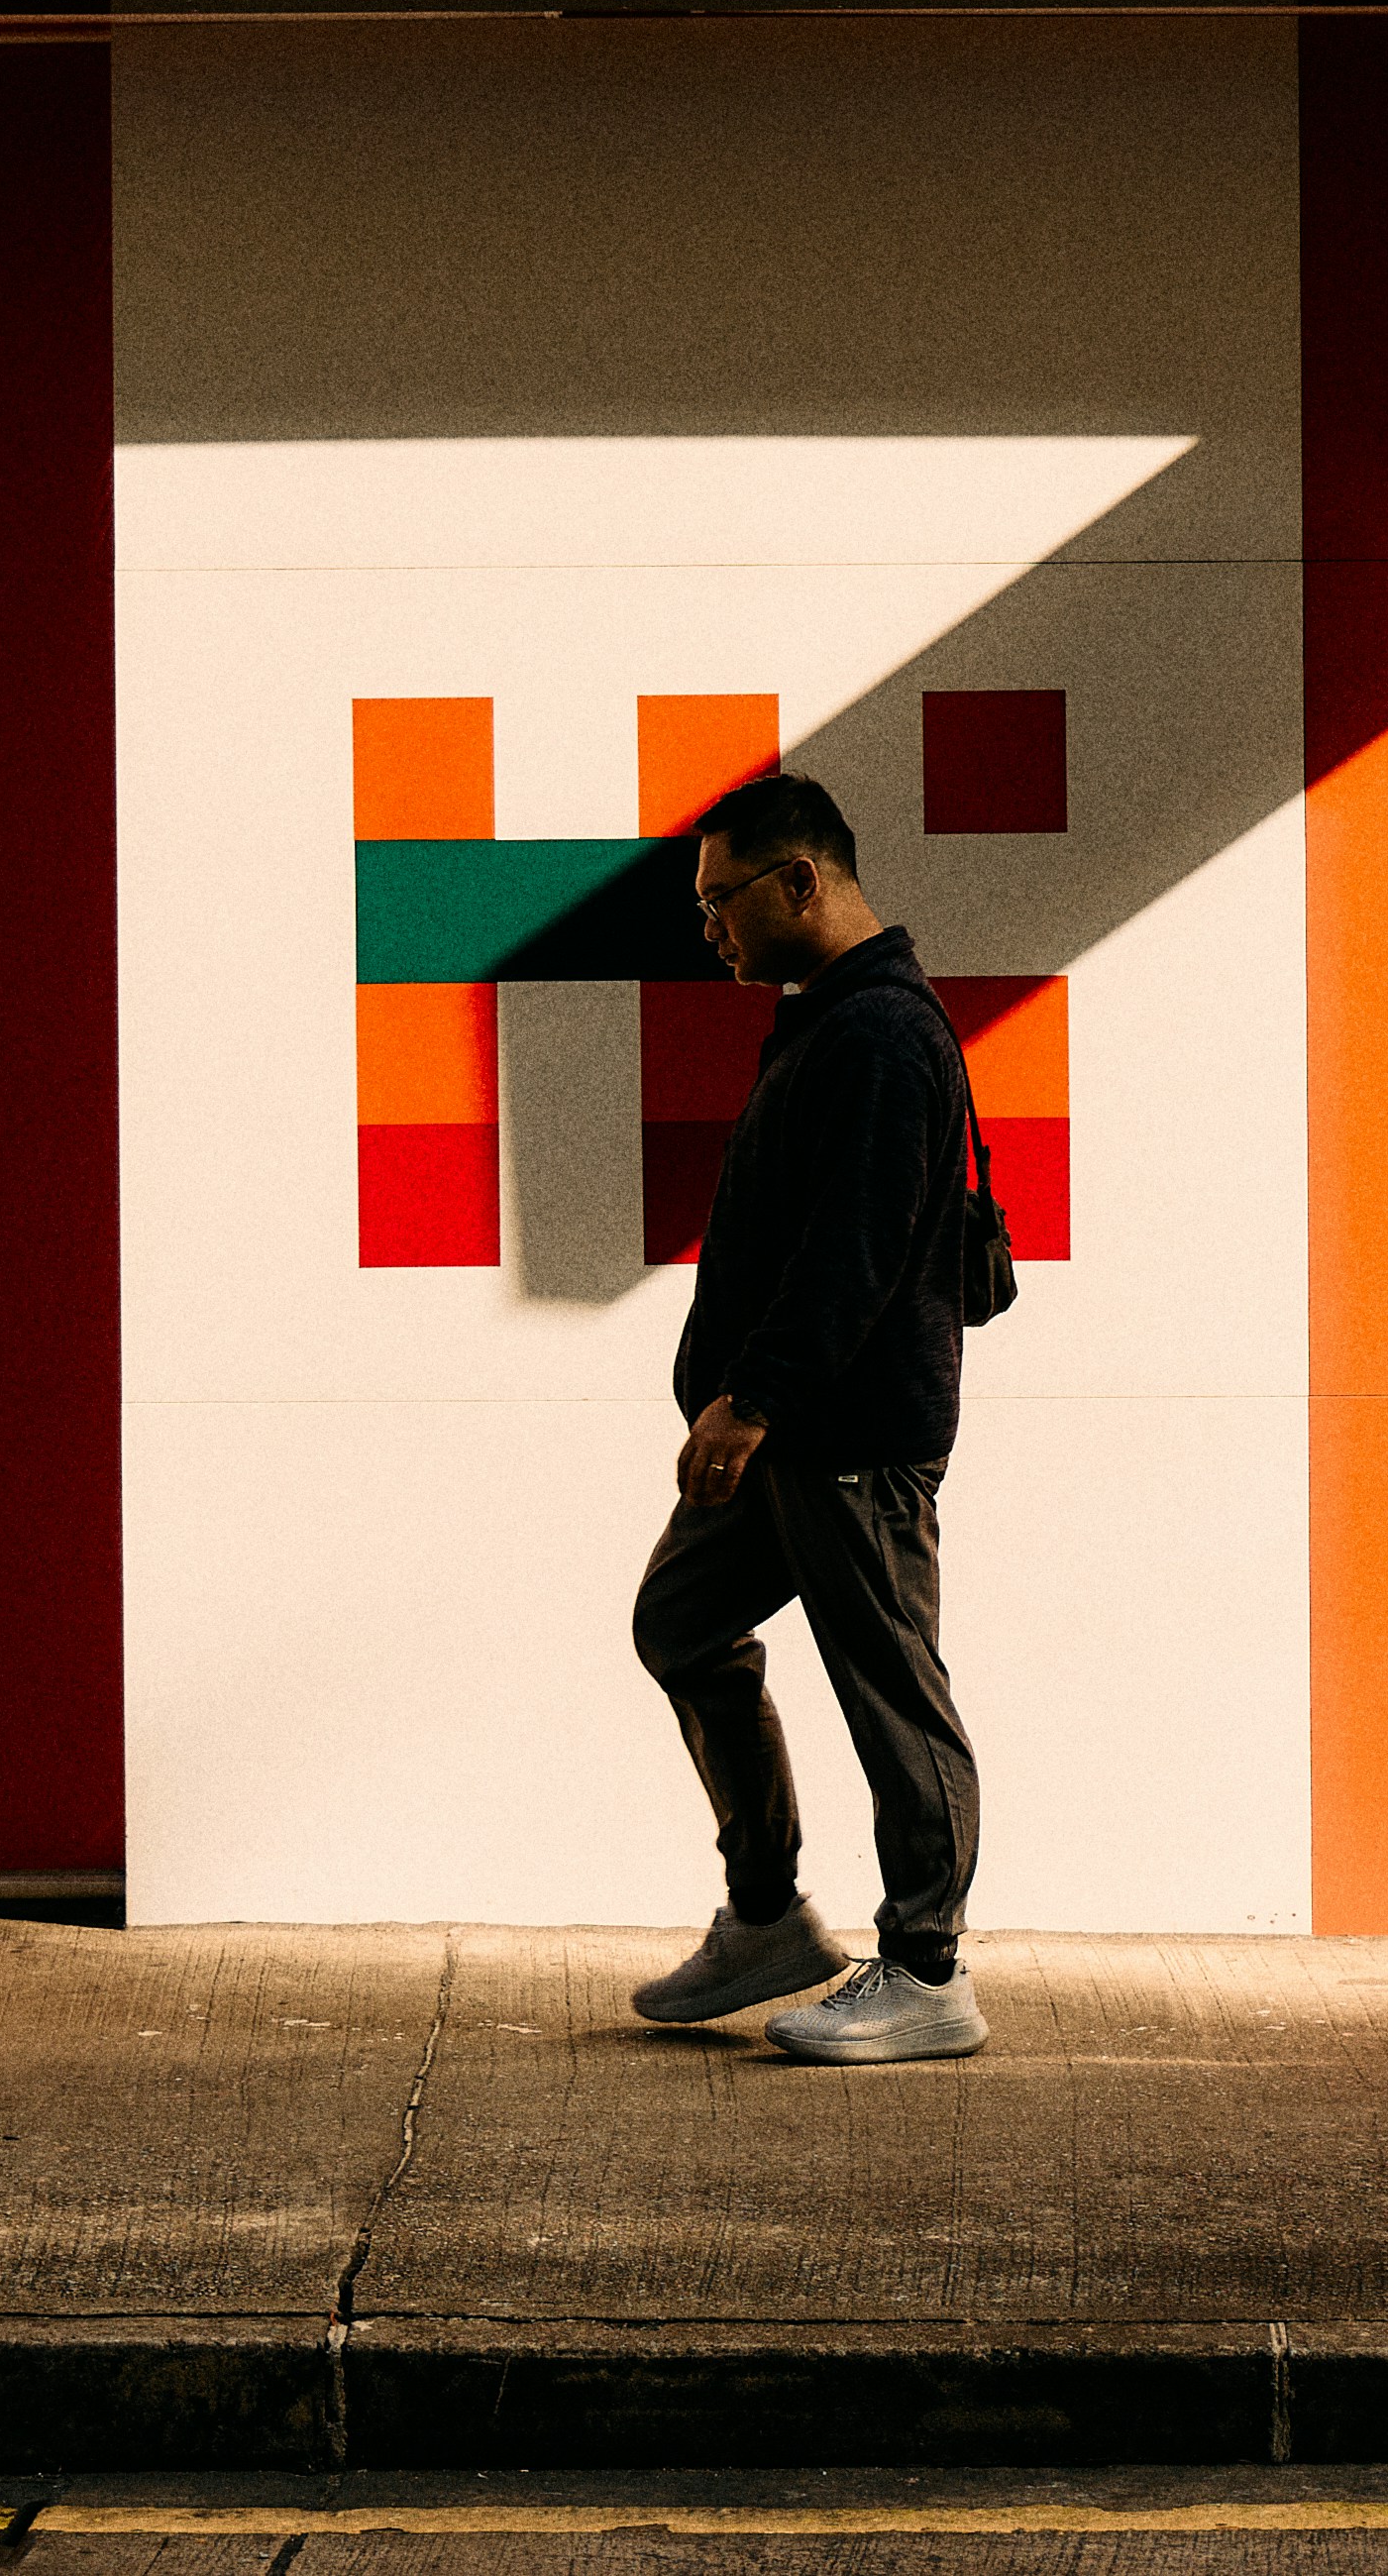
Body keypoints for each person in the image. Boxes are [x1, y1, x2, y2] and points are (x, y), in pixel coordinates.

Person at [623, 770, 989, 2064]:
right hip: (786, 1431)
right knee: (680, 1618)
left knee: (892, 1691)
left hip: (848, 1434)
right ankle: (769, 1911)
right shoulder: (831, 1019)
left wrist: (755, 1397)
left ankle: (929, 1972)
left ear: (801, 880)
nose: (710, 923)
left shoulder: (884, 1032)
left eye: (723, 898)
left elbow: (857, 1247)